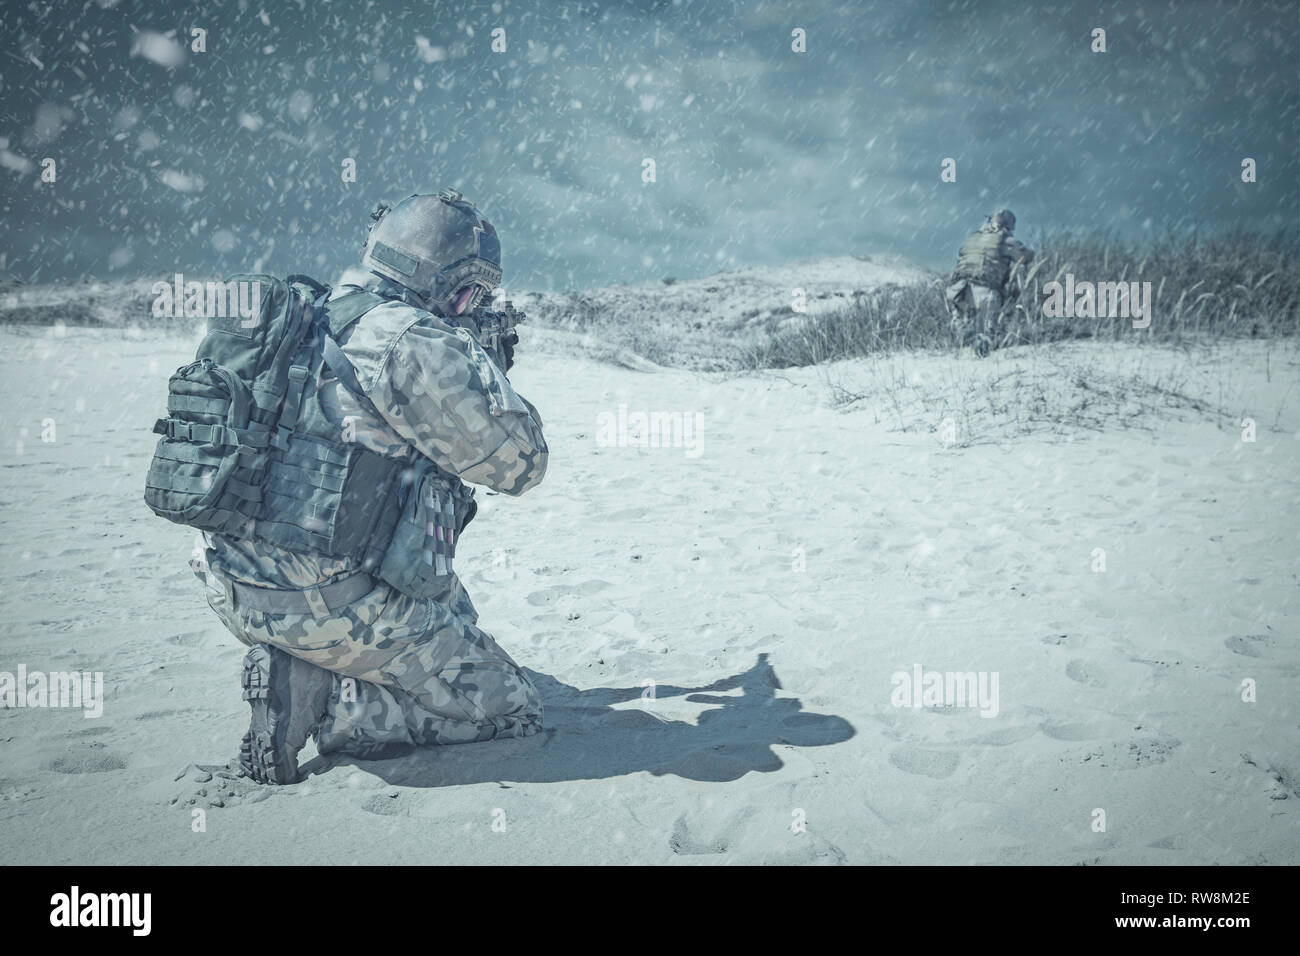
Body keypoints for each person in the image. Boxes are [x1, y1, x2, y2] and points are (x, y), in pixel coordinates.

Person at [191, 189, 548, 784]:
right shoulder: (409, 339)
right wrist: (483, 366)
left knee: (451, 604)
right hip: (322, 600)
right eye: (472, 293)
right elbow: (520, 466)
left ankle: (330, 660)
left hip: (229, 581)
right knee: (515, 709)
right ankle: (329, 695)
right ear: (454, 285)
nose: (473, 305)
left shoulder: (306, 311)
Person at [944, 208, 1034, 356]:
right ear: (1009, 225)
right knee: (986, 338)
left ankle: (968, 345)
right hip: (985, 290)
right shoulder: (1005, 239)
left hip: (958, 291)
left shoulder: (973, 237)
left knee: (966, 332)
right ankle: (981, 355)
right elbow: (1025, 257)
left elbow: (961, 255)